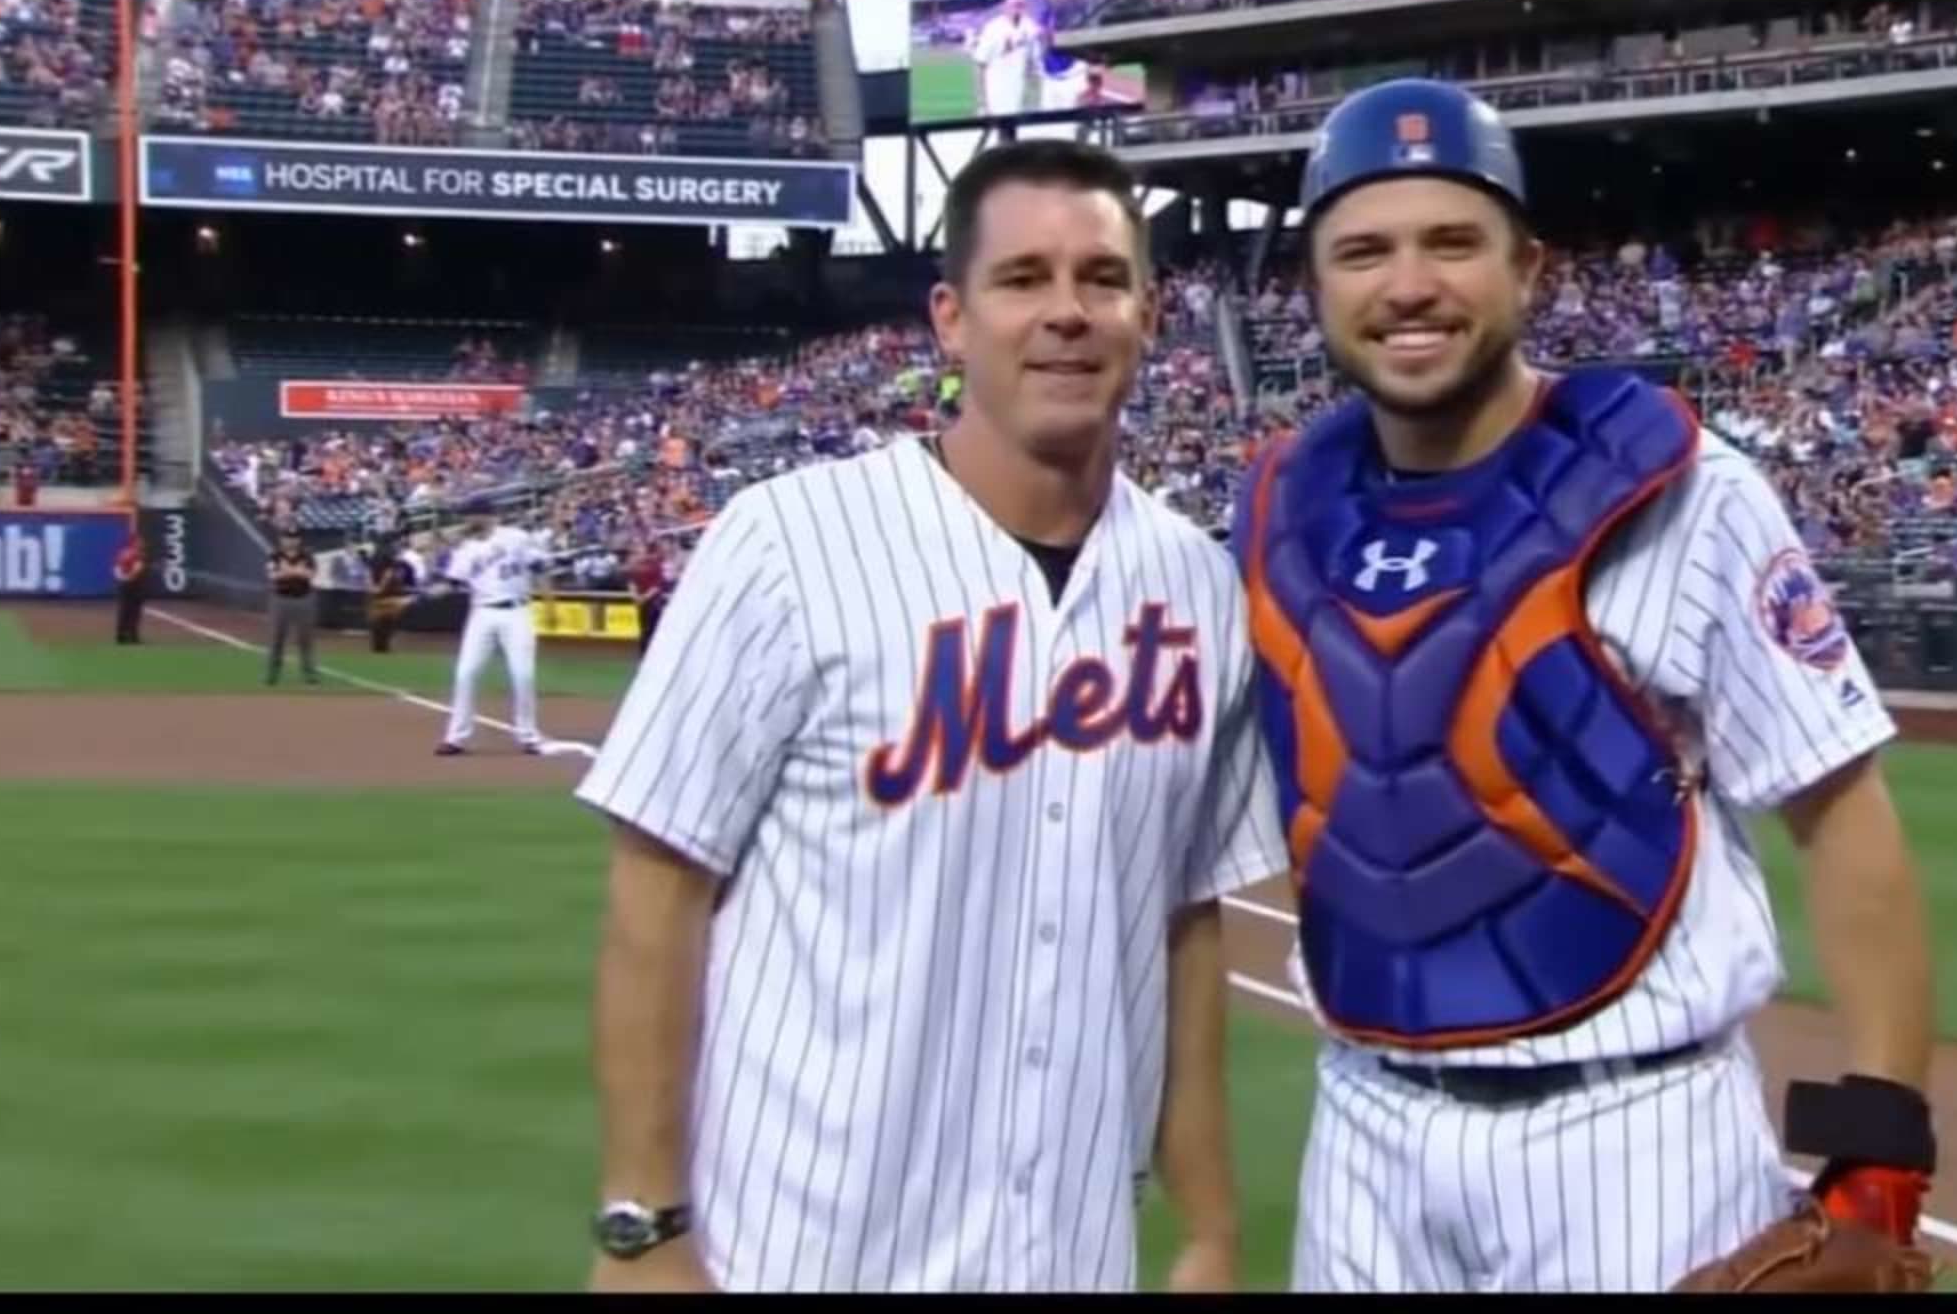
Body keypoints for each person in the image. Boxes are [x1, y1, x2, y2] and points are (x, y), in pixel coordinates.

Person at [1238, 79, 1939, 1294]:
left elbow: (1841, 810)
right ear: (1315, 289)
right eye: (1363, 251)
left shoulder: (1683, 490)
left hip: (1627, 1136)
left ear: (1530, 269)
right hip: (1362, 1128)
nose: (1408, 285)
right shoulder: (1278, 511)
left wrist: (1879, 1155)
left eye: (1453, 242)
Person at [572, 139, 1284, 1293]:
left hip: (1067, 1253)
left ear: (1150, 315)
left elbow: (1185, 923)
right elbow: (656, 892)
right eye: (1023, 280)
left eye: (1100, 279)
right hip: (800, 1248)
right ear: (951, 319)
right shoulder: (786, 544)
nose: (1067, 312)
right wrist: (641, 1226)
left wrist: (1207, 1224)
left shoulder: (1197, 587)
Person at [436, 498, 547, 756]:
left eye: (469, 516)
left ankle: (528, 735)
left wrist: (548, 596)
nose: (465, 521)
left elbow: (539, 565)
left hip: (517, 611)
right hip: (482, 614)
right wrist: (430, 592)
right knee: (466, 673)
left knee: (523, 675)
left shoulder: (515, 537)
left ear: (485, 516)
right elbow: (452, 583)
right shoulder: (465, 550)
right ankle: (456, 738)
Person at [970, 0, 1039, 119]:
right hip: (995, 101)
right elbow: (979, 66)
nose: (1019, 0)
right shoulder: (993, 29)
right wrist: (982, 104)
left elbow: (1032, 65)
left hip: (1018, 99)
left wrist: (1032, 97)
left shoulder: (1030, 27)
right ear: (1006, 0)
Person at [263, 530, 319, 686]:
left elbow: (310, 575)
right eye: (288, 538)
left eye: (294, 538)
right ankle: (272, 674)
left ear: (299, 540)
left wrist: (287, 570)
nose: (291, 541)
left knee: (305, 639)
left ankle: (310, 674)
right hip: (281, 599)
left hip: (304, 599)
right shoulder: (275, 555)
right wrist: (297, 571)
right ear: (282, 540)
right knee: (277, 638)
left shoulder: (307, 556)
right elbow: (273, 576)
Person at [367, 539, 412, 654]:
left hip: (379, 592)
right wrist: (380, 587)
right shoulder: (389, 556)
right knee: (388, 621)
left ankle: (378, 646)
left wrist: (373, 587)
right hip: (390, 592)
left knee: (378, 621)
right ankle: (384, 646)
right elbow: (389, 573)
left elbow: (371, 573)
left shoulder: (375, 557)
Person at [625, 542, 668, 655]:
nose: (638, 553)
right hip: (646, 602)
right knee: (647, 629)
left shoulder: (653, 565)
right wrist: (637, 596)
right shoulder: (637, 566)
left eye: (640, 550)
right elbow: (632, 583)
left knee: (648, 629)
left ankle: (647, 653)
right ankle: (647, 653)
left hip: (650, 602)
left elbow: (656, 586)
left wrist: (641, 597)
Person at [112, 528, 147, 645]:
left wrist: (122, 579)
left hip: (123, 585)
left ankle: (120, 636)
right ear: (134, 542)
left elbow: (116, 570)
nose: (142, 543)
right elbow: (138, 569)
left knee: (124, 610)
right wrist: (130, 577)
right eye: (139, 541)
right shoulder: (138, 554)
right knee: (133, 612)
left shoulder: (122, 553)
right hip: (134, 586)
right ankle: (132, 636)